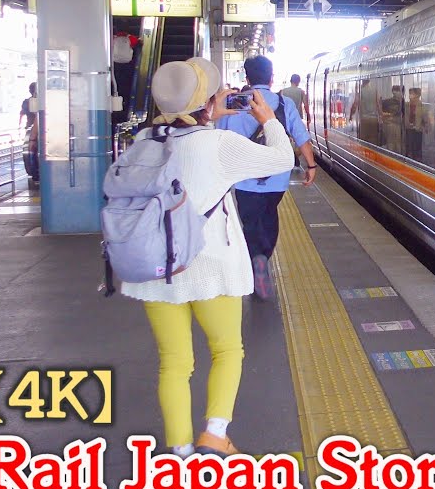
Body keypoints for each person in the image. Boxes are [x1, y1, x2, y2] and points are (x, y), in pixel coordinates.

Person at [120, 57, 294, 459]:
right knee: (227, 350)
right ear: (208, 104)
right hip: (210, 267)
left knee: (174, 363)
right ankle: (214, 435)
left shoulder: (143, 143)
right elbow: (283, 159)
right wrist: (267, 119)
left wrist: (210, 116)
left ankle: (180, 452)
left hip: (153, 267)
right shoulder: (218, 145)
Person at [216, 55, 317, 301]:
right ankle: (265, 255)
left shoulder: (234, 103)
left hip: (244, 177)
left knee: (250, 221)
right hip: (276, 178)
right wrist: (310, 165)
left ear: (247, 77)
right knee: (269, 215)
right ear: (271, 78)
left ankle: (256, 260)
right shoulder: (283, 103)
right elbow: (301, 137)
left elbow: (219, 138)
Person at [405, 87, 433, 163]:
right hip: (407, 129)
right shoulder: (406, 105)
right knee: (408, 147)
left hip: (417, 129)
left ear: (417, 95)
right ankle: (408, 161)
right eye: (409, 93)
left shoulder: (422, 106)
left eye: (412, 93)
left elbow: (426, 118)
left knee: (417, 148)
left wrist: (427, 127)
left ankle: (417, 162)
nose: (410, 95)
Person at [381, 84, 405, 153]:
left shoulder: (403, 102)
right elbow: (381, 112)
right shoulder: (387, 102)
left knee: (399, 143)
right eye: (396, 91)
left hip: (399, 125)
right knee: (391, 143)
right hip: (390, 125)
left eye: (400, 91)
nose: (397, 93)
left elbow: (404, 115)